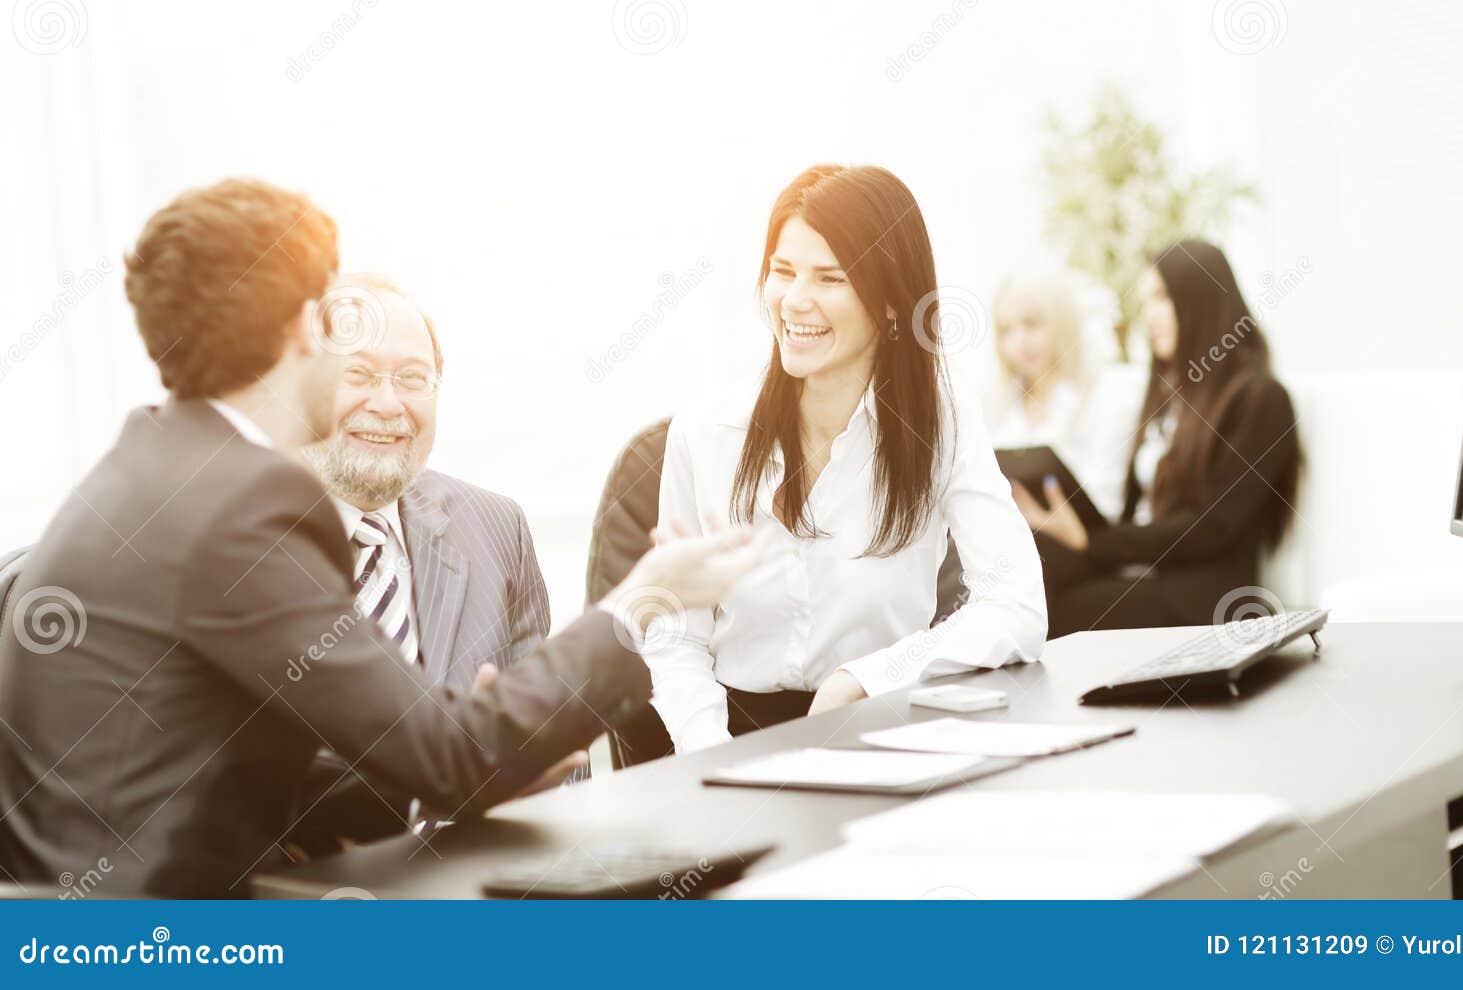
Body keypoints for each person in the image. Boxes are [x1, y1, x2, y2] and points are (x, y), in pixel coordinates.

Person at [0, 178, 763, 897]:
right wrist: (644, 599)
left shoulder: (152, 462)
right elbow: (452, 754)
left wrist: (476, 758)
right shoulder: (239, 503)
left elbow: (222, 755)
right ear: (304, 328)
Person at [643, 164, 1047, 754]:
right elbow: (675, 629)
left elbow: (1015, 603)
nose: (795, 300)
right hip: (733, 736)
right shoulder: (708, 432)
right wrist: (708, 751)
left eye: (830, 278)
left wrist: (864, 679)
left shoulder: (941, 419)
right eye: (783, 272)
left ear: (889, 304)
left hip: (881, 729)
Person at [290, 273, 561, 850]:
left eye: (413, 378)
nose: (388, 403)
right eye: (357, 374)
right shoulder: (233, 548)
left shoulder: (495, 526)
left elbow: (548, 754)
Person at [1012, 239, 1302, 638]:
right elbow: (1139, 514)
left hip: (1206, 593)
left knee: (1059, 608)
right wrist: (1074, 532)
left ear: (1202, 301)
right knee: (1029, 564)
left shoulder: (1261, 399)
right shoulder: (1169, 399)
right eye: (1145, 302)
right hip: (1145, 573)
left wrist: (1095, 544)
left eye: (1161, 299)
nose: (1149, 316)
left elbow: (1213, 528)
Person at [984, 266, 1140, 519]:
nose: (1018, 343)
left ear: (1062, 322)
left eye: (1031, 324)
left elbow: (1105, 509)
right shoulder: (999, 406)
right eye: (1006, 330)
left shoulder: (1106, 395)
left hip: (1072, 548)